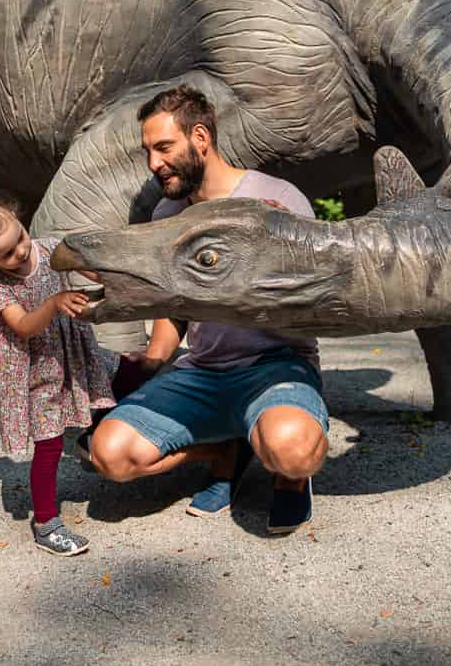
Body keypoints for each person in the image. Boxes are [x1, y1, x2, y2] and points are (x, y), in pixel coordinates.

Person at [85, 85, 328, 534]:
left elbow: (314, 301)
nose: (153, 164)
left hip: (276, 367)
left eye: (163, 147)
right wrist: (154, 358)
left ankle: (289, 479)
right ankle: (224, 453)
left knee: (292, 450)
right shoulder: (167, 214)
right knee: (110, 455)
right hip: (204, 372)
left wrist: (273, 242)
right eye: (148, 151)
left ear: (200, 137)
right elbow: (173, 305)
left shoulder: (277, 198)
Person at [0, 198, 114, 555]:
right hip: (37, 368)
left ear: (20, 222)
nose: (21, 252)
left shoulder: (50, 247)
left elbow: (90, 270)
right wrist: (54, 303)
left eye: (21, 237)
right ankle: (45, 521)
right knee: (50, 443)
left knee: (117, 375)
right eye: (7, 253)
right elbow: (23, 327)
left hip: (73, 350)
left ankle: (94, 442)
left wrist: (108, 275)